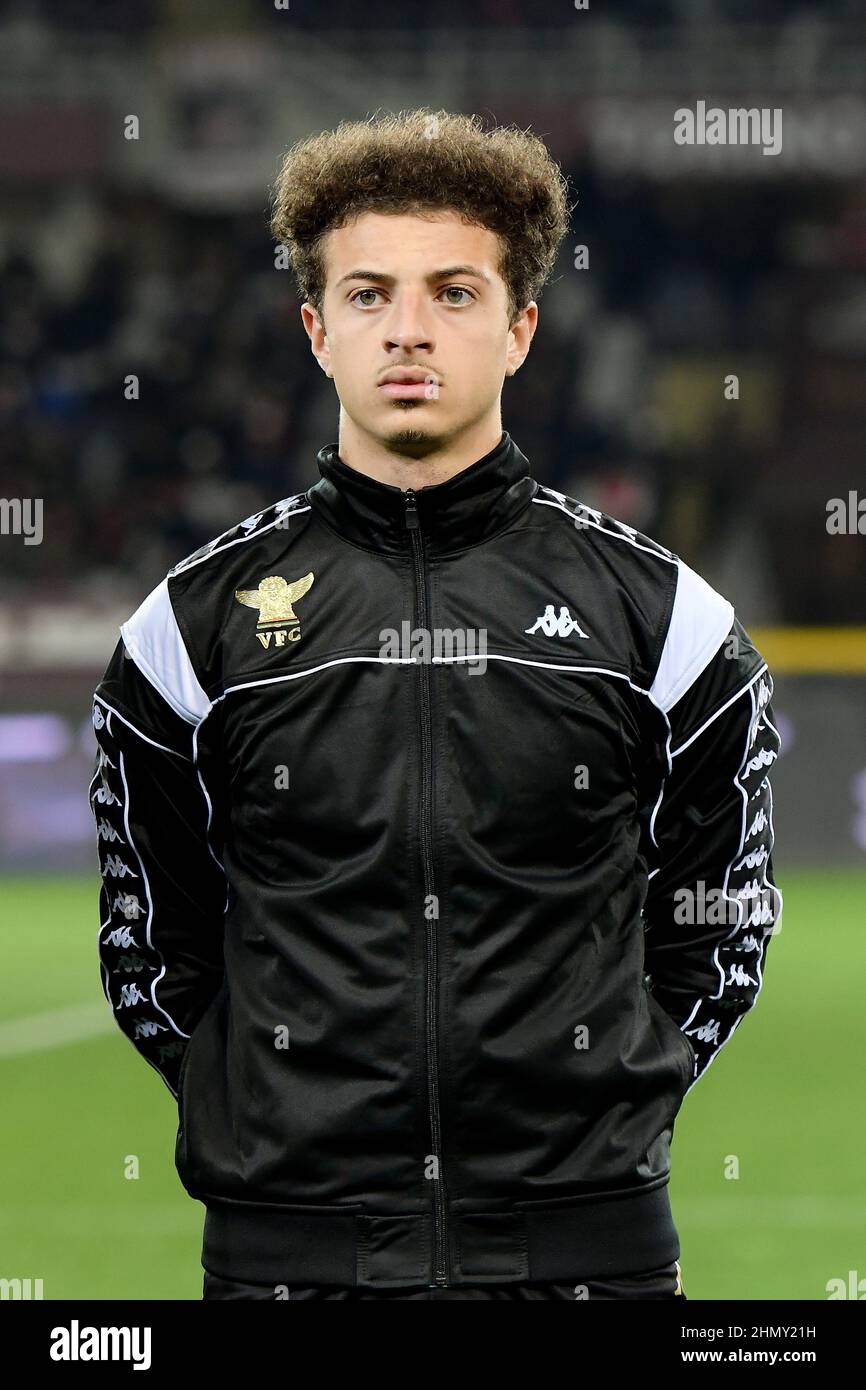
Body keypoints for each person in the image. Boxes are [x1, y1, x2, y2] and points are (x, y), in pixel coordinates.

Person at [88, 108, 782, 1301]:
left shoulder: (666, 623)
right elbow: (155, 944)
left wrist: (591, 1129)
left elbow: (716, 928)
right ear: (314, 330)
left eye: (452, 293)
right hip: (287, 1265)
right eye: (367, 295)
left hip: (587, 1265)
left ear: (519, 328)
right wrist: (272, 1120)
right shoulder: (186, 630)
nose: (407, 331)